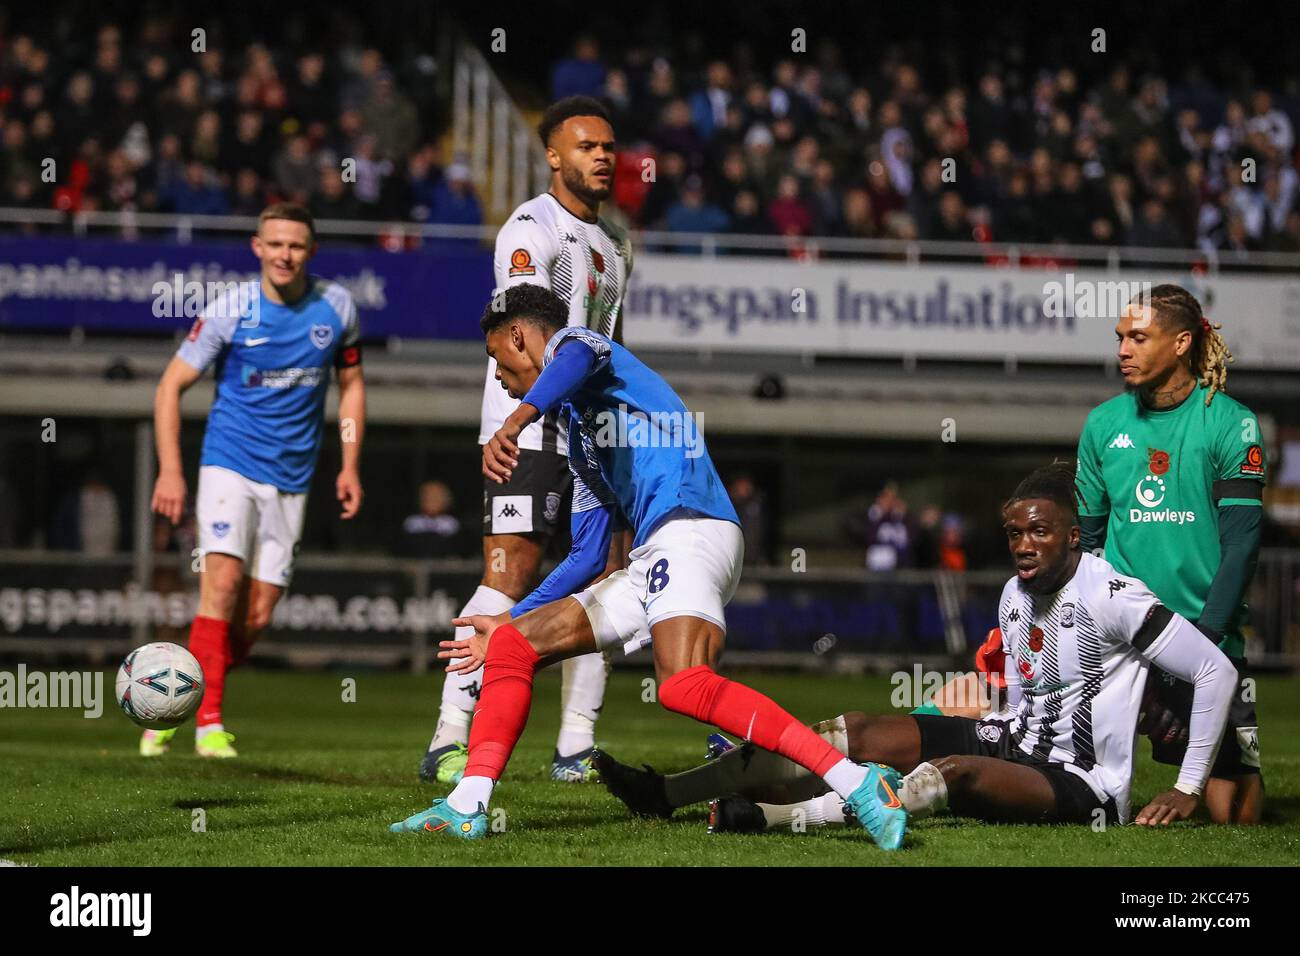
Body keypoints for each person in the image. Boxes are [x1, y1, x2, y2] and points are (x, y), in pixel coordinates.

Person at [390, 285, 908, 849]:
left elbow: (574, 358)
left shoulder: (582, 344)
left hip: (691, 526)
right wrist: (515, 617)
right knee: (515, 648)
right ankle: (468, 804)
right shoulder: (584, 439)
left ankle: (856, 783)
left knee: (683, 684)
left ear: (519, 335)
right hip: (653, 553)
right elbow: (588, 556)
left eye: (497, 358)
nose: (498, 375)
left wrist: (515, 422)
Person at [595, 464, 1236, 833]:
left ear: (1073, 536)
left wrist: (1184, 786)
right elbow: (1027, 692)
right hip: (1011, 739)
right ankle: (667, 794)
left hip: (1083, 783)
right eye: (1015, 532)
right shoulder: (1015, 594)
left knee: (954, 775)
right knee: (852, 730)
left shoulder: (1115, 594)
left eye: (1040, 530)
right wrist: (972, 702)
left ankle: (773, 817)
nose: (1024, 544)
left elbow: (1214, 669)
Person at [420, 97, 634, 787]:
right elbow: (524, 335)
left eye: (607, 146)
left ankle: (576, 745)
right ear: (553, 156)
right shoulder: (529, 229)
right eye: (585, 146)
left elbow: (608, 346)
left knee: (605, 577)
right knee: (509, 575)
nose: (601, 156)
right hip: (532, 423)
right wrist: (520, 418)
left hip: (591, 436)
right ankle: (450, 735)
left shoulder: (616, 243)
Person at [146, 202, 365, 758]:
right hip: (229, 464)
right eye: (275, 244)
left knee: (257, 616)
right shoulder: (231, 310)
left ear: (310, 251)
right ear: (257, 247)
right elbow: (170, 386)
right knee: (219, 587)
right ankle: (208, 725)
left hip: (293, 478)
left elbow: (353, 385)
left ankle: (174, 693)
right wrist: (171, 471)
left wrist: (349, 464)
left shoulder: (338, 306)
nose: (285, 255)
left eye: (296, 245)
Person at [1075, 284, 1266, 824]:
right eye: (1119, 338)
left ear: (1182, 342)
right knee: (1075, 780)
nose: (1123, 350)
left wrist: (1203, 644)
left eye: (1139, 337)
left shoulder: (1232, 423)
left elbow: (1242, 544)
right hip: (1117, 636)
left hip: (1206, 634)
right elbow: (1087, 544)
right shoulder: (1102, 425)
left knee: (1235, 813)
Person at [396, 480, 466, 559]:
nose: (430, 500)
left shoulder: (453, 524)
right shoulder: (411, 523)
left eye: (435, 497)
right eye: (426, 496)